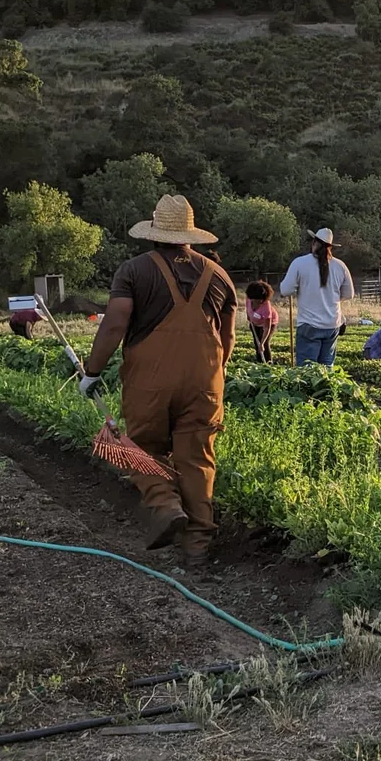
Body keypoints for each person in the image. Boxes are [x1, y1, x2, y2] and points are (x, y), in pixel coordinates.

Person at [79, 195, 236, 567]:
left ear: (152, 234)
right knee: (197, 458)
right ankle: (197, 542)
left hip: (151, 380)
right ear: (189, 235)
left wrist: (92, 371)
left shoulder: (134, 270)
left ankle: (165, 505)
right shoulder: (220, 276)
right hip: (206, 380)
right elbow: (227, 339)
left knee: (141, 447)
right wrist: (211, 374)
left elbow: (116, 322)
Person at [279, 228, 354, 367]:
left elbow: (285, 289)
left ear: (314, 242)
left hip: (309, 324)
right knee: (326, 368)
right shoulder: (340, 266)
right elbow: (349, 294)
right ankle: (326, 389)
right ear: (330, 247)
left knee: (307, 369)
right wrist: (332, 298)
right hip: (332, 324)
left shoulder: (300, 263)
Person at [244, 280, 279, 363]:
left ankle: (268, 363)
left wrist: (262, 343)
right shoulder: (249, 299)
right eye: (256, 300)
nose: (259, 302)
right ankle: (259, 362)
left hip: (268, 324)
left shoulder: (266, 307)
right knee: (257, 343)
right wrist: (248, 316)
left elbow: (267, 327)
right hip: (254, 323)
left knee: (264, 345)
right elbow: (247, 308)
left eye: (261, 300)